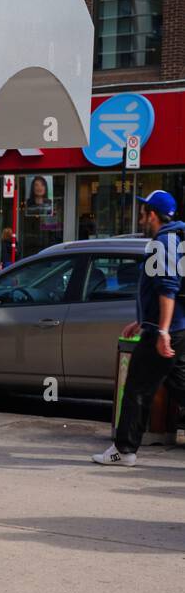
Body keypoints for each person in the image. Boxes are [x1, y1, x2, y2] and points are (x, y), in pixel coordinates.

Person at [92, 190, 185, 466]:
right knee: (179, 385)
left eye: (144, 212)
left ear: (153, 214)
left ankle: (124, 449)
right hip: (172, 327)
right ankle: (125, 448)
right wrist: (143, 321)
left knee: (137, 387)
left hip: (166, 329)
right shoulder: (175, 240)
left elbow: (168, 289)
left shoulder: (163, 242)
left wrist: (161, 331)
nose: (141, 217)